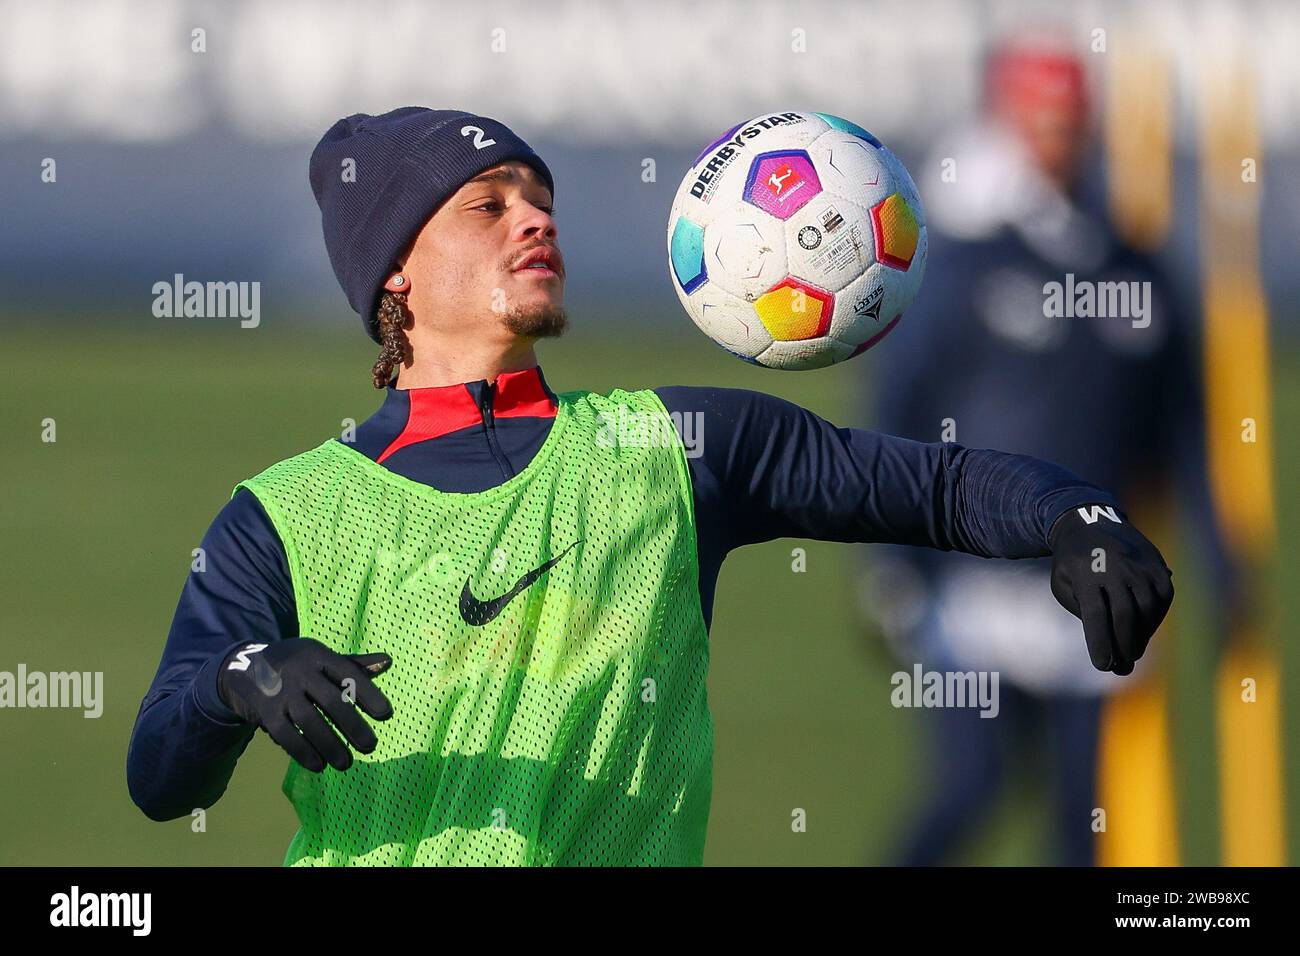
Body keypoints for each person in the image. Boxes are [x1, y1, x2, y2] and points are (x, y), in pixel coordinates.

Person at [126, 106, 1173, 866]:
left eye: (540, 200)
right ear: (393, 269)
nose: (534, 220)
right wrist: (238, 680)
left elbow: (936, 487)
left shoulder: (675, 444)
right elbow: (160, 779)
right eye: (488, 205)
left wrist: (1072, 517)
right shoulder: (283, 512)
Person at [858, 42, 1229, 865]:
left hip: (1087, 584)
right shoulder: (965, 262)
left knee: (1082, 818)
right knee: (970, 786)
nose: (1061, 139)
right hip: (970, 584)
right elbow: (900, 408)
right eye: (1044, 121)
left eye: (1073, 122)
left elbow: (1183, 428)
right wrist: (891, 560)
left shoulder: (1136, 268)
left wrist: (1221, 557)